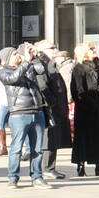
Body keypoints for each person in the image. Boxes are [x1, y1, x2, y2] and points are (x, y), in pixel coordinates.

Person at [0, 43, 51, 189]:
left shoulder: (28, 65)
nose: (18, 55)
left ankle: (37, 177)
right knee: (16, 148)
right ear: (7, 58)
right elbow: (13, 78)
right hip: (19, 113)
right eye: (14, 54)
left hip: (37, 111)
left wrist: (39, 56)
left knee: (37, 148)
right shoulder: (3, 71)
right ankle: (13, 177)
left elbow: (43, 69)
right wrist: (26, 61)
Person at [35, 41, 71, 180]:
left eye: (55, 47)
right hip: (49, 107)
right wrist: (52, 103)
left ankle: (50, 167)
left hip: (57, 106)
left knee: (54, 137)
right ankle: (47, 168)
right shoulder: (41, 63)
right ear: (43, 50)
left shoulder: (51, 64)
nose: (55, 50)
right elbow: (43, 86)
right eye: (52, 48)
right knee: (48, 138)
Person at [69, 43, 99, 177]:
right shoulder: (79, 68)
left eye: (94, 48)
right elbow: (77, 90)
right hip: (86, 108)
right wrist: (88, 104)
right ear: (84, 52)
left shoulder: (97, 66)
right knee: (83, 138)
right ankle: (80, 165)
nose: (94, 50)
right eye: (91, 49)